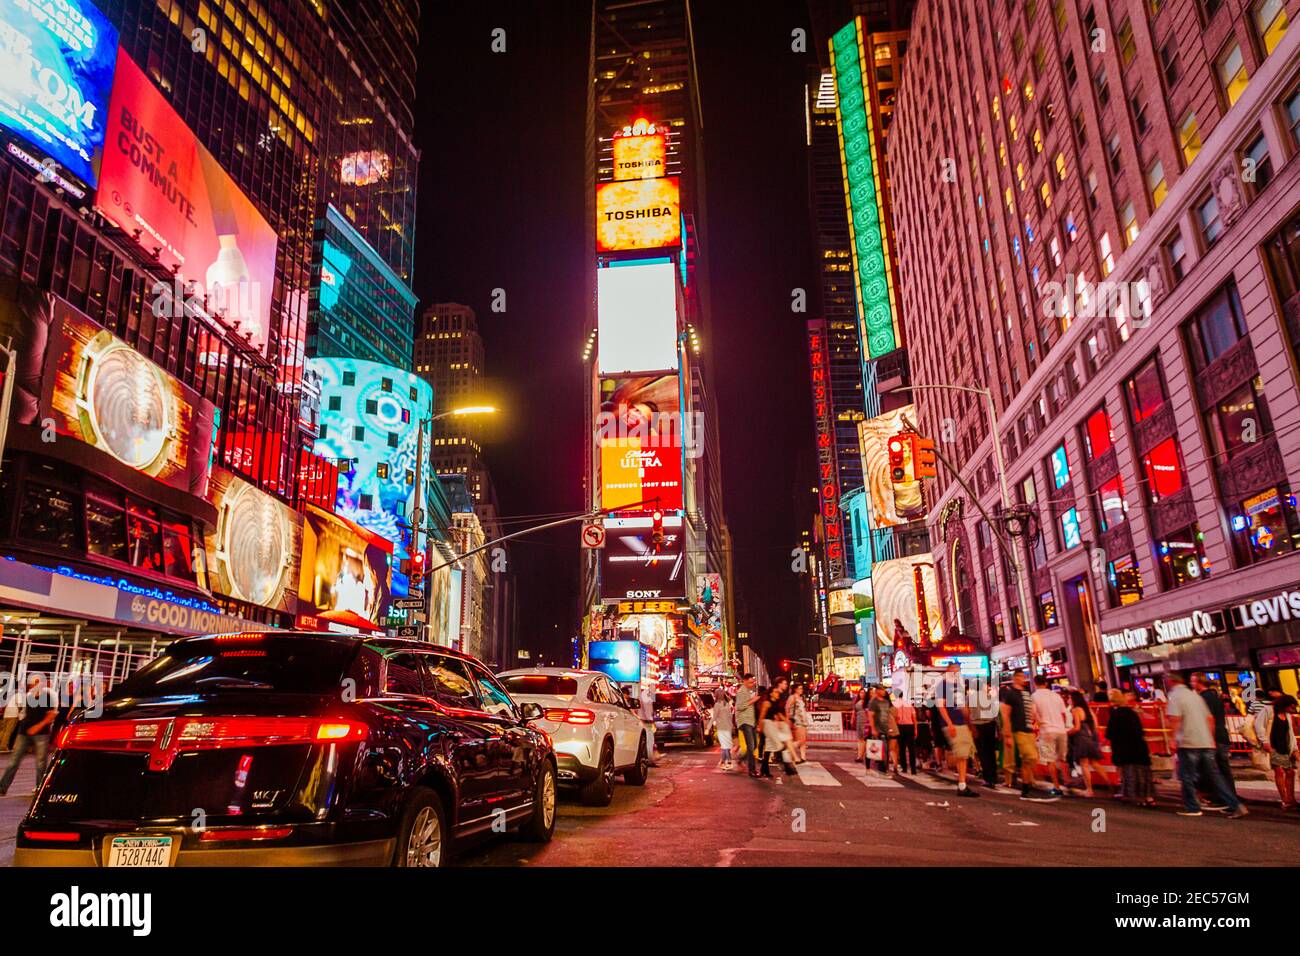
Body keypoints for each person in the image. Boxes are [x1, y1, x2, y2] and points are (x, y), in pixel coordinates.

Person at [1165, 673, 1247, 819]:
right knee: (1215, 775)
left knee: (1187, 776)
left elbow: (1175, 719)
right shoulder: (1195, 696)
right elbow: (1210, 719)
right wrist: (1210, 738)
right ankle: (1235, 804)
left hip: (1188, 741)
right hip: (1205, 741)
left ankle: (1192, 807)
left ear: (1170, 682)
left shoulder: (1175, 696)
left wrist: (1173, 740)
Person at [1000, 669, 1055, 801]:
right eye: (1018, 677)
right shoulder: (1010, 694)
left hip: (1029, 729)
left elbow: (1032, 711)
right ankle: (1026, 788)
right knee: (1029, 756)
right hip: (1018, 730)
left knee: (1032, 759)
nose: (1021, 679)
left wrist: (1041, 724)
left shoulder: (1026, 692)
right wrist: (1007, 735)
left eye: (1022, 677)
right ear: (1014, 678)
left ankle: (1027, 787)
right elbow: (1005, 714)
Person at [0, 675, 54, 796]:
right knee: (13, 761)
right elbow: (25, 711)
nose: (33, 685)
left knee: (41, 763)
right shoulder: (28, 696)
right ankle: (2, 787)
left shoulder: (47, 697)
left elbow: (51, 715)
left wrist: (38, 726)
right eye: (32, 683)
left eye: (36, 682)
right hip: (24, 732)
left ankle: (40, 789)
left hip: (41, 734)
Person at [1191, 673, 1236, 803]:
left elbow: (1208, 719)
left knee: (1213, 769)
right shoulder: (1215, 697)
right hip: (1222, 736)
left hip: (1212, 738)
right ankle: (1230, 795)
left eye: (1193, 682)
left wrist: (1209, 739)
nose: (1192, 684)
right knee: (1223, 768)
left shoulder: (1203, 699)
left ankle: (1223, 797)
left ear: (1199, 682)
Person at [935, 663, 978, 797]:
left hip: (961, 723)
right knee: (961, 754)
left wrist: (970, 724)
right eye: (954, 669)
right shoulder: (942, 685)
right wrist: (949, 723)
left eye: (958, 670)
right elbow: (940, 706)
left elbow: (963, 707)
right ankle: (962, 784)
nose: (956, 672)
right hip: (953, 723)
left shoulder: (958, 686)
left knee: (964, 754)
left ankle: (962, 784)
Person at [1106, 689, 1155, 807]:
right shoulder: (1132, 712)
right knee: (1144, 773)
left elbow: (1110, 733)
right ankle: (1148, 797)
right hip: (1139, 747)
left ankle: (1133, 796)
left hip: (1125, 748)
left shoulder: (1116, 714)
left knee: (1129, 772)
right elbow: (1140, 730)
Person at [1032, 676, 1071, 797]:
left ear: (1035, 684)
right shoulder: (1056, 696)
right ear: (1046, 683)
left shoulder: (1034, 696)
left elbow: (1033, 714)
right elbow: (1063, 713)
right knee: (1062, 758)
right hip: (1061, 730)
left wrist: (1039, 724)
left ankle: (1057, 786)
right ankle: (1067, 781)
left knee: (1050, 760)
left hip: (1047, 731)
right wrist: (1062, 726)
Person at [1257, 693, 1297, 810]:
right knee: (1279, 771)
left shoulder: (1287, 716)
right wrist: (1264, 741)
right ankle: (1285, 798)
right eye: (1291, 707)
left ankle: (1291, 797)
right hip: (1273, 745)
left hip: (1286, 746)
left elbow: (1290, 733)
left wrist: (1294, 748)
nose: (1292, 710)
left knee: (1290, 772)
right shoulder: (1268, 711)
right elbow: (1259, 725)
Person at [1067, 689, 1104, 797]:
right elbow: (1096, 723)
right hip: (1091, 737)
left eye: (1069, 698)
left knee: (1084, 764)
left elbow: (1077, 727)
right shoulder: (1087, 709)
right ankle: (1110, 784)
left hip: (1081, 738)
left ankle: (1089, 789)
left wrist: (1068, 732)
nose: (1068, 699)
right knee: (1094, 763)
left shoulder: (1076, 710)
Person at [756, 686, 796, 778]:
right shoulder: (767, 703)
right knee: (779, 745)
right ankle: (786, 766)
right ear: (771, 694)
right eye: (775, 692)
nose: (778, 694)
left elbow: (778, 715)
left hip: (772, 725)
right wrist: (760, 728)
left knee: (769, 748)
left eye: (778, 693)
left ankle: (764, 770)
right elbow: (761, 716)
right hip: (766, 725)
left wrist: (786, 722)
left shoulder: (775, 703)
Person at [734, 674, 760, 778]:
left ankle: (740, 759)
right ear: (744, 681)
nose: (752, 684)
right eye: (750, 682)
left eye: (753, 682)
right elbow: (739, 706)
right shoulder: (741, 692)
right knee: (751, 745)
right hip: (745, 721)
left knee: (754, 745)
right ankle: (752, 770)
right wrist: (753, 700)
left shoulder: (747, 692)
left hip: (751, 721)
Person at [867, 686, 894, 772]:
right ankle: (880, 767)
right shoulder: (873, 702)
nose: (884, 691)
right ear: (878, 691)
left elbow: (888, 715)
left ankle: (883, 767)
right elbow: (870, 716)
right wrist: (873, 729)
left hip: (885, 728)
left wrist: (890, 727)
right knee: (878, 748)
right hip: (878, 728)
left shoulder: (886, 702)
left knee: (885, 749)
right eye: (882, 690)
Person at [893, 691, 918, 774]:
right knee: (911, 749)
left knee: (902, 748)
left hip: (900, 727)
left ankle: (904, 768)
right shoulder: (908, 704)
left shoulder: (894, 705)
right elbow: (914, 718)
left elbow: (894, 718)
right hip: (910, 726)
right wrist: (915, 729)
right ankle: (913, 769)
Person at [712, 688, 736, 770]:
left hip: (722, 727)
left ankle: (727, 761)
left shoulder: (718, 704)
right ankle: (724, 761)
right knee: (726, 746)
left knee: (725, 746)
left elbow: (715, 717)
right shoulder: (728, 703)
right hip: (727, 726)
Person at [787, 683, 810, 763]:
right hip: (797, 720)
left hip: (803, 721)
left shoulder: (801, 698)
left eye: (801, 688)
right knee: (800, 740)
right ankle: (786, 751)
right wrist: (788, 720)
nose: (801, 690)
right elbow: (787, 708)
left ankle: (803, 757)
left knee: (803, 740)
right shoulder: (792, 697)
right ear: (795, 689)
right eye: (799, 688)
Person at [854, 688, 871, 764]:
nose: (862, 694)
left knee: (864, 739)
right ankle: (859, 755)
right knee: (859, 739)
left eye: (863, 693)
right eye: (860, 693)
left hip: (865, 721)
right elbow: (854, 711)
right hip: (859, 720)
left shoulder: (868, 702)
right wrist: (853, 718)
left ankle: (861, 756)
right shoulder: (857, 701)